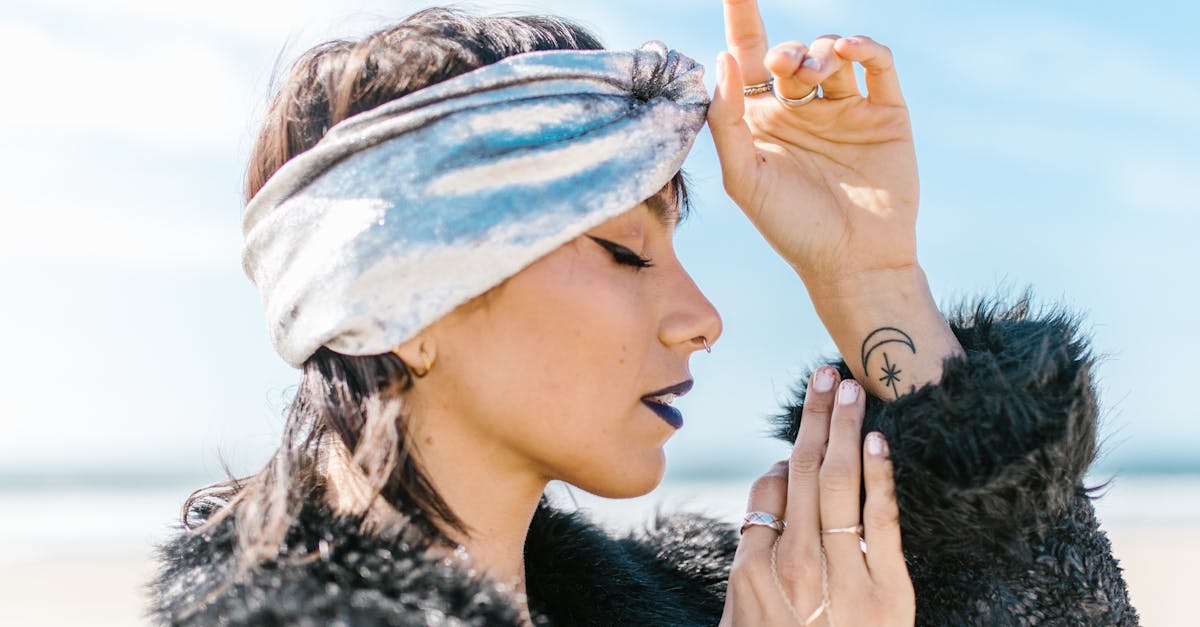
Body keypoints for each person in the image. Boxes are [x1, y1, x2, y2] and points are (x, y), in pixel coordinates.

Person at [150, 4, 1137, 625]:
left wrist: (870, 276)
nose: (702, 319)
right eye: (624, 249)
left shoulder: (712, 595)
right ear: (399, 302)